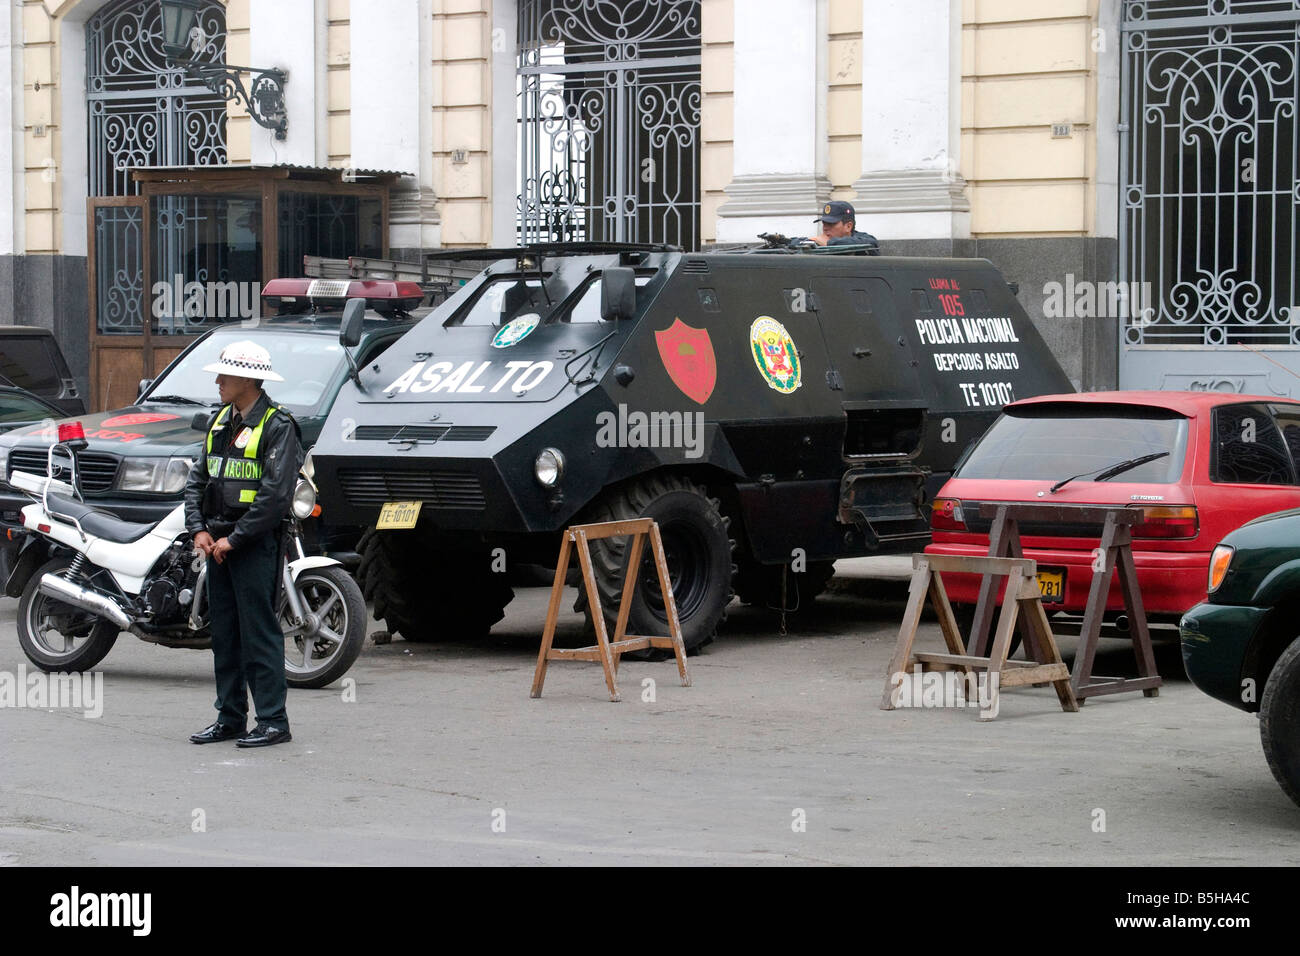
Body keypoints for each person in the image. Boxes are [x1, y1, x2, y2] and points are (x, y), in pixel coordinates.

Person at [184, 341, 302, 748]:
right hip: (217, 543)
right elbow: (197, 480)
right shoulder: (220, 420)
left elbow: (274, 497)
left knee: (259, 632)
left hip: (252, 545)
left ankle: (272, 721)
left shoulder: (278, 426)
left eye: (226, 375)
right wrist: (198, 529)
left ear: (249, 379)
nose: (217, 381)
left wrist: (235, 539)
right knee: (227, 635)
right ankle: (230, 718)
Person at [807, 200, 879, 249]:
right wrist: (810, 241)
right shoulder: (820, 241)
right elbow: (796, 241)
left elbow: (872, 243)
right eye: (824, 224)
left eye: (831, 224)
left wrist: (829, 243)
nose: (825, 228)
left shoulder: (864, 240)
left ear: (848, 226)